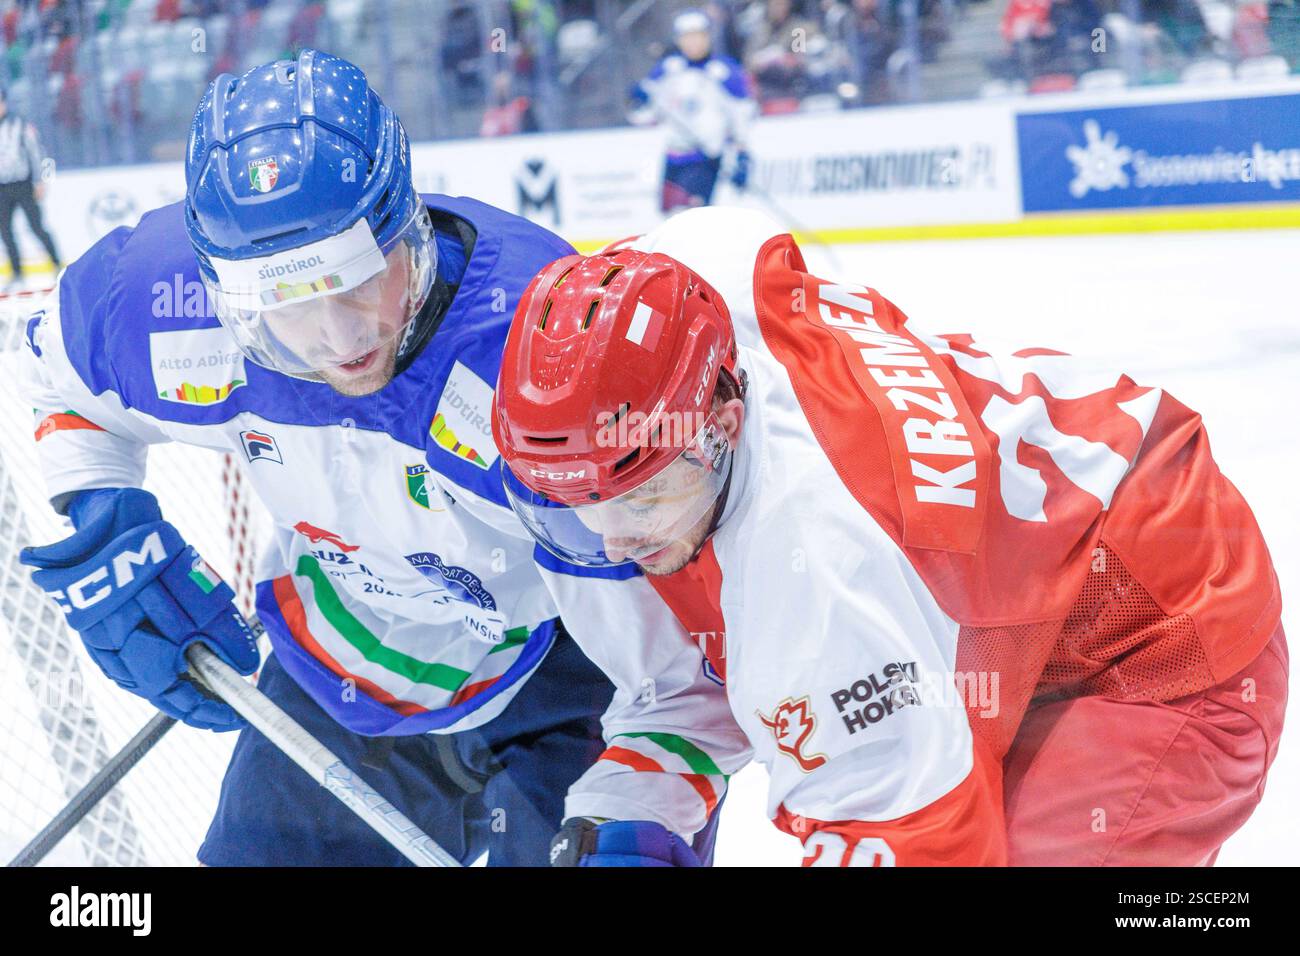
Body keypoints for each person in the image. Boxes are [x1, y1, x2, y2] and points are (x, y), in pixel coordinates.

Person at [17, 51, 746, 867]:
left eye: (357, 278)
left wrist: (639, 814)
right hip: (332, 666)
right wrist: (107, 522)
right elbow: (61, 379)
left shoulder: (535, 366)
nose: (341, 336)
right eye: (286, 304)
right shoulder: (163, 302)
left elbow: (683, 673)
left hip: (558, 678)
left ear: (408, 225)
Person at [492, 206, 1288, 866]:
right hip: (1046, 530)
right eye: (569, 508)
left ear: (723, 425)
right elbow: (734, 237)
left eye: (644, 496)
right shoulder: (687, 291)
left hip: (1161, 639)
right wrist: (634, 802)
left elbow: (924, 841)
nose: (612, 544)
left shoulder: (817, 571)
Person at [631, 8, 756, 213]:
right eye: (687, 37)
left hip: (705, 158)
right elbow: (646, 113)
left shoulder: (725, 71)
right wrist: (639, 99)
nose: (693, 42)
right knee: (670, 218)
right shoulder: (667, 69)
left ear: (708, 36)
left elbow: (742, 115)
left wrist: (741, 155)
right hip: (674, 156)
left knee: (694, 218)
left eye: (698, 36)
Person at [0, 85, 60, 291]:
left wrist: (40, 181)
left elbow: (38, 154)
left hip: (24, 184)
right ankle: (17, 273)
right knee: (5, 231)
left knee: (36, 227)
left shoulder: (20, 125)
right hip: (2, 187)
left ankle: (57, 265)